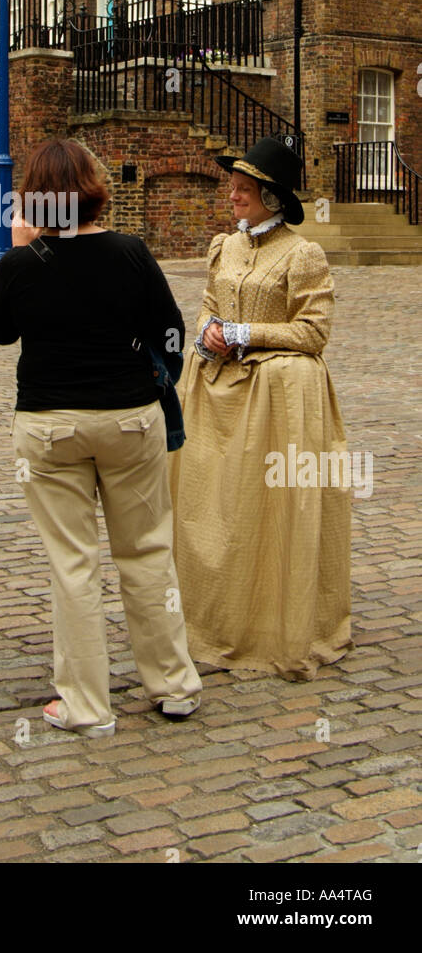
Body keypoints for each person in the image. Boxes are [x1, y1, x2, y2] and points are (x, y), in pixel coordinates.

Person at [0, 138, 201, 737]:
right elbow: (172, 331)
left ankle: (85, 705)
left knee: (73, 565)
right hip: (130, 418)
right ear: (93, 189)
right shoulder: (130, 252)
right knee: (149, 552)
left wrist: (21, 253)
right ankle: (174, 685)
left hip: (51, 424)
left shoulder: (26, 263)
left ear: (35, 199)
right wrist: (154, 377)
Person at [170, 136, 352, 680]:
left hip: (275, 401)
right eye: (233, 187)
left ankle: (273, 621)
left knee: (262, 510)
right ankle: (212, 617)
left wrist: (246, 333)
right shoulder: (223, 247)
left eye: (244, 190)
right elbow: (207, 303)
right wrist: (207, 334)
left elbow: (314, 331)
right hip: (215, 392)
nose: (233, 196)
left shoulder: (303, 253)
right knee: (212, 504)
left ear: (271, 198)